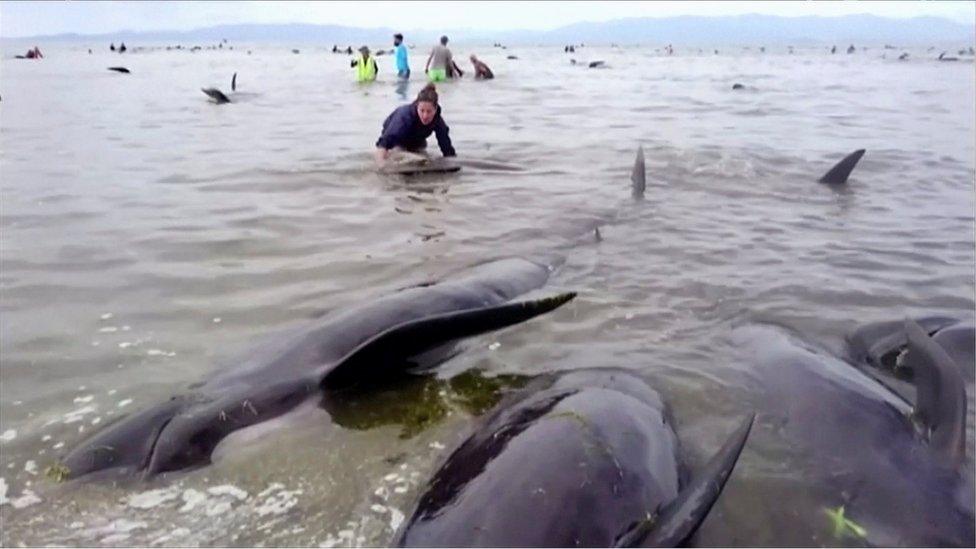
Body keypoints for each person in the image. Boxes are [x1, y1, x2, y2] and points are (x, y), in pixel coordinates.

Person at [374, 83, 456, 165]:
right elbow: (383, 143)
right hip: (396, 139)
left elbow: (446, 147)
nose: (425, 116)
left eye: (429, 111)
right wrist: (381, 165)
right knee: (399, 152)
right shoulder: (404, 117)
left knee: (422, 156)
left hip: (417, 141)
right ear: (417, 107)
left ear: (435, 109)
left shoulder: (438, 121)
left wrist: (453, 164)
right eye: (422, 110)